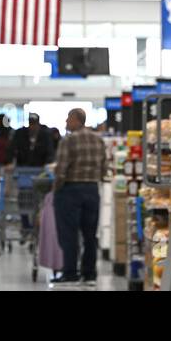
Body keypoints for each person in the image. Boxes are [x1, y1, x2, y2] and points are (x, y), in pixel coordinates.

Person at [51, 107, 108, 287]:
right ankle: (89, 273)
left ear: (76, 120)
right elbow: (104, 168)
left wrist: (56, 189)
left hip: (70, 190)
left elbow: (61, 169)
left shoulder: (68, 141)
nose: (66, 122)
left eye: (68, 119)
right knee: (90, 234)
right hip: (92, 190)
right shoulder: (98, 140)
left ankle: (70, 272)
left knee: (69, 233)